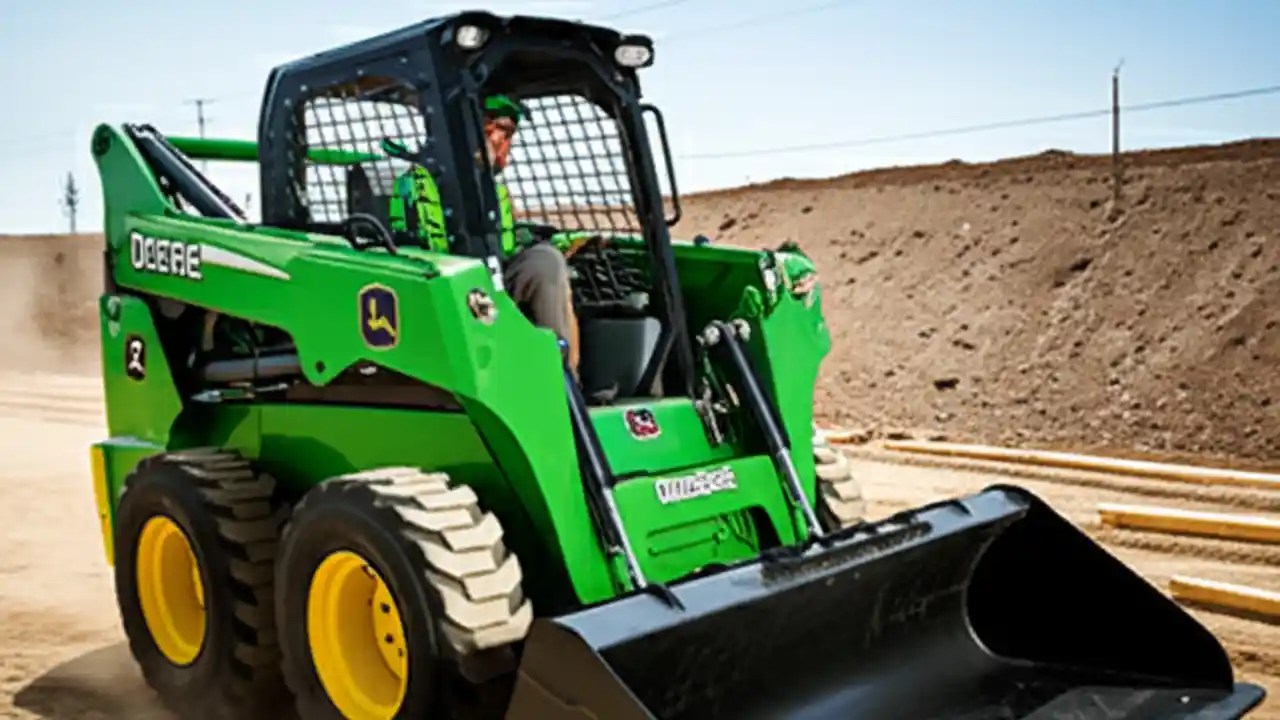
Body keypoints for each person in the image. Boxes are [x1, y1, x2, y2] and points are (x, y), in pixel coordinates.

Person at [387, 94, 581, 375]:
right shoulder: (416, 185)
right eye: (504, 132)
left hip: (494, 281)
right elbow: (407, 246)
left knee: (547, 262)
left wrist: (551, 243)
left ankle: (564, 382)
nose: (506, 144)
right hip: (442, 290)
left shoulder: (493, 186)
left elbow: (506, 238)